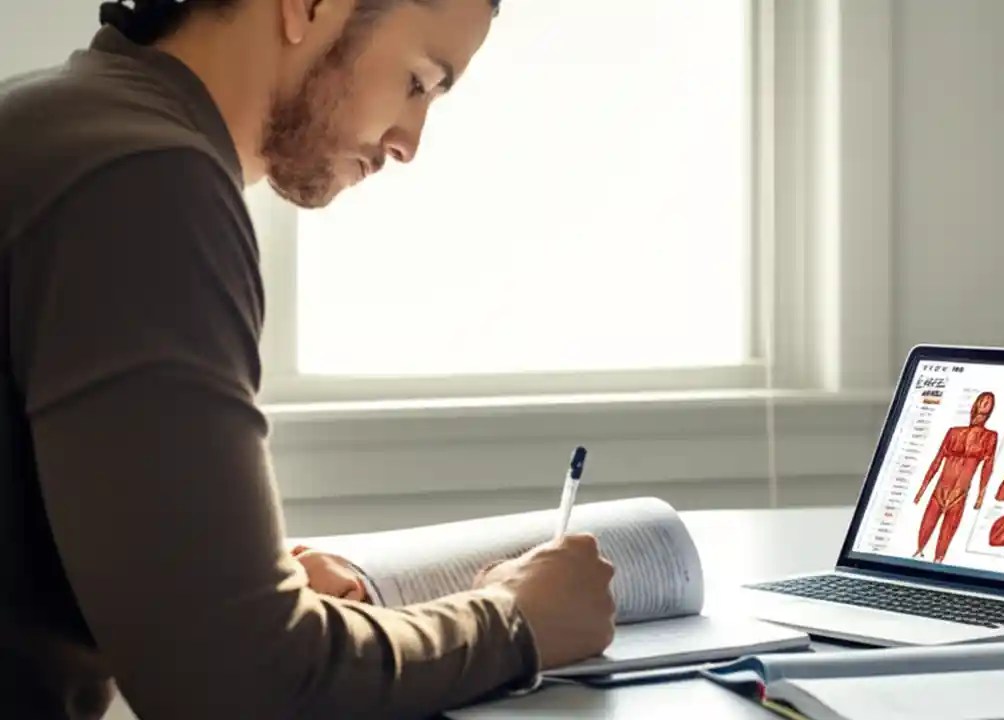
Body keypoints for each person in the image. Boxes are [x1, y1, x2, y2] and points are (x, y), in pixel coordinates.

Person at [0, 1, 618, 717]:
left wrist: (232, 570)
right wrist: (515, 621)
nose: (410, 142)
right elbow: (234, 679)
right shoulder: (143, 180)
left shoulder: (51, 123)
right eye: (419, 81)